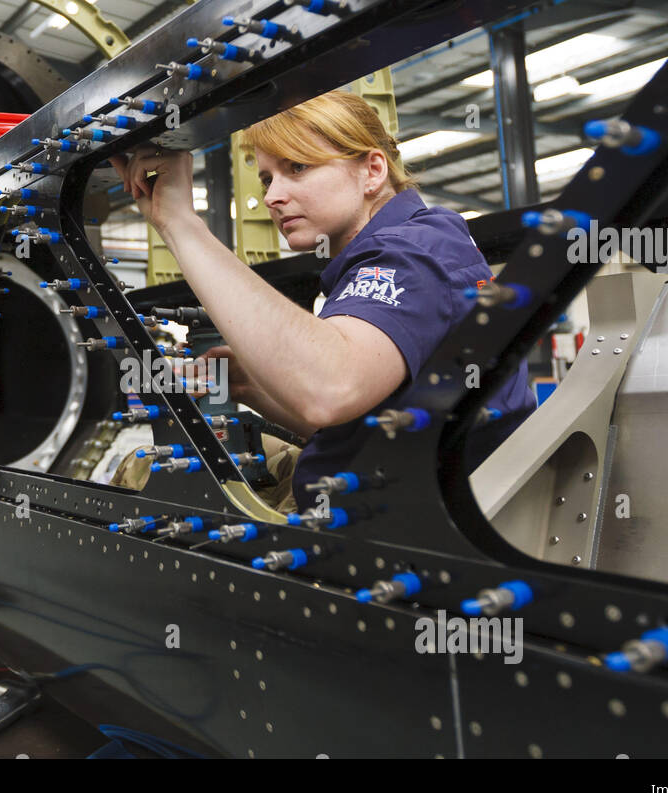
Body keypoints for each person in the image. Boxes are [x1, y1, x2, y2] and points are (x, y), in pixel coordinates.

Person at [108, 91, 536, 512]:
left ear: (372, 171)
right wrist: (246, 384)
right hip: (399, 484)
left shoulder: (409, 254)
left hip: (395, 520)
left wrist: (180, 222)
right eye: (267, 178)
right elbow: (355, 419)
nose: (273, 196)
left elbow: (331, 390)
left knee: (144, 468)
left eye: (297, 167)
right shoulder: (408, 245)